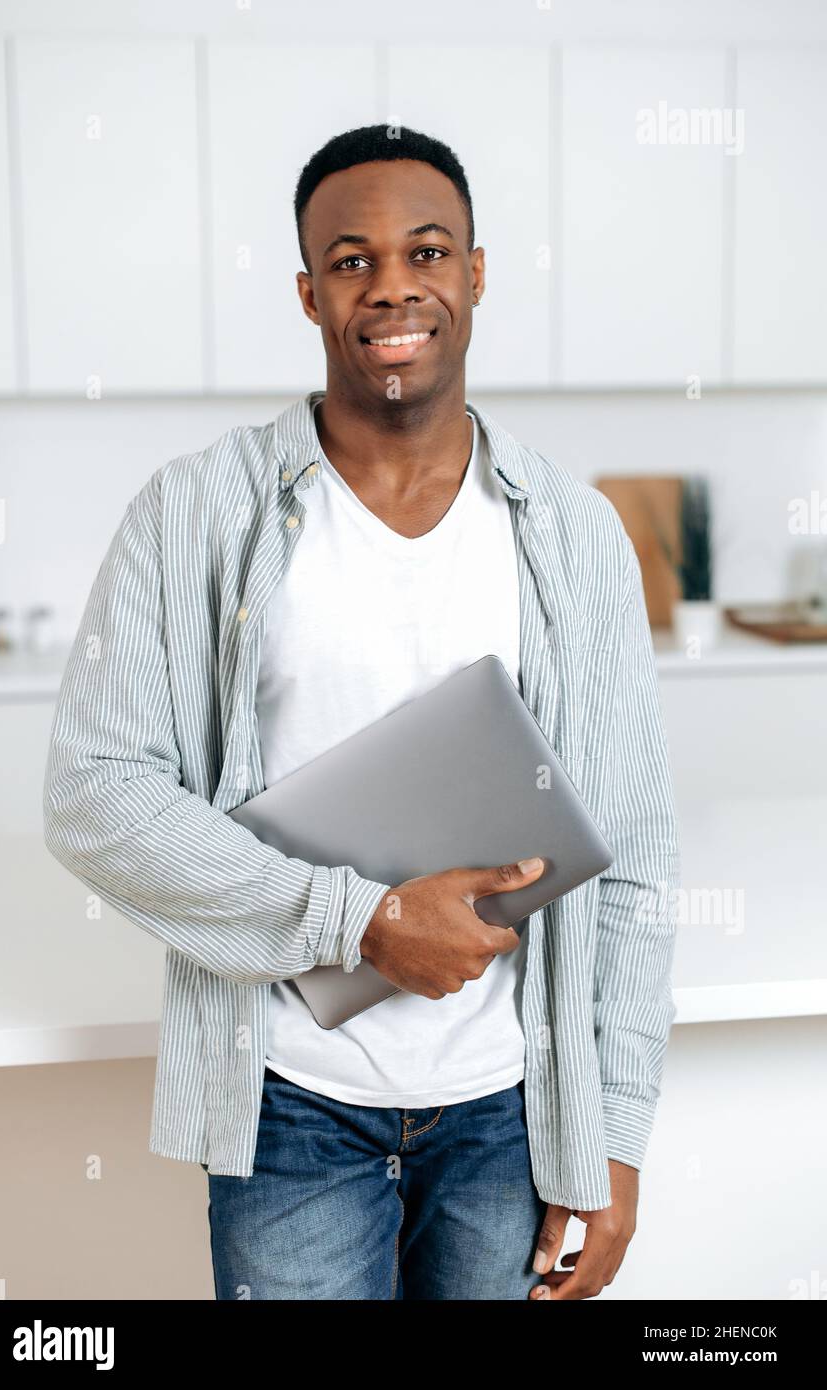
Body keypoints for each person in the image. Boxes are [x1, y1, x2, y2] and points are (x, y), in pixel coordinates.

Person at [44, 124, 680, 1301]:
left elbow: (631, 857)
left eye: (426, 251)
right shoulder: (196, 511)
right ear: (308, 292)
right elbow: (96, 791)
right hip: (289, 1108)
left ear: (475, 274)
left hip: (515, 1114)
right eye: (351, 260)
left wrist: (618, 1135)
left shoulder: (573, 535)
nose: (392, 285)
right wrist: (363, 919)